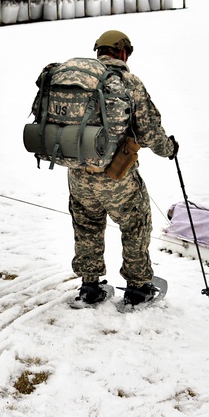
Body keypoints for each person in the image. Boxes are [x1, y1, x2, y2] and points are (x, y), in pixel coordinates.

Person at [69, 30, 177, 308]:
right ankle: (138, 289)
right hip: (116, 175)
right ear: (123, 52)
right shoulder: (129, 82)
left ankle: (90, 288)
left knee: (87, 226)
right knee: (135, 224)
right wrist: (169, 149)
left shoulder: (78, 80)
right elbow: (149, 132)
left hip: (78, 173)